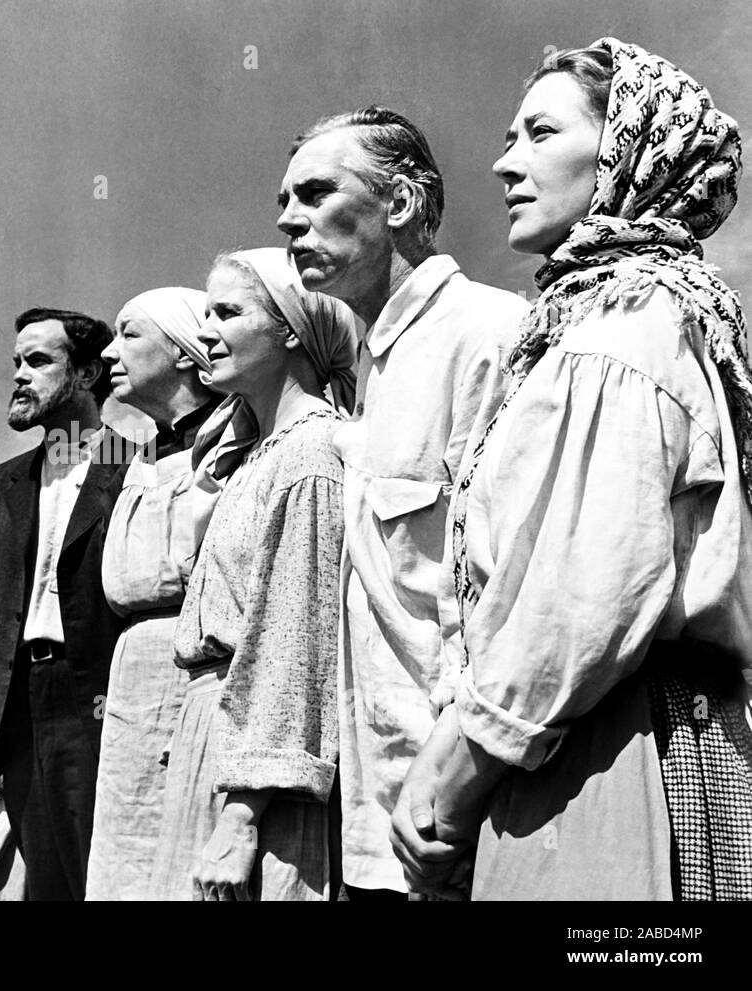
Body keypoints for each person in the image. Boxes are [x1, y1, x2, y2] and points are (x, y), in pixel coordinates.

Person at [392, 38, 752, 901]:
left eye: (540, 133)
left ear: (628, 152)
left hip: (613, 750)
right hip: (571, 740)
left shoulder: (628, 326)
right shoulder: (592, 323)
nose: (504, 162)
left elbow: (578, 595)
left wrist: (451, 771)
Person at [276, 106, 531, 899]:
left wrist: (457, 779)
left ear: (403, 203)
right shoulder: (372, 364)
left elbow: (511, 591)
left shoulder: (491, 333)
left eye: (316, 193)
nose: (290, 219)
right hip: (376, 811)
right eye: (286, 201)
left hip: (460, 812)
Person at [150, 248, 357, 901]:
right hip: (218, 738)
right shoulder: (255, 457)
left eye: (228, 312)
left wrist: (241, 818)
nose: (206, 330)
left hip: (265, 775)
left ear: (291, 330)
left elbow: (298, 650)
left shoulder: (312, 453)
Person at [0, 307, 137, 900]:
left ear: (85, 376)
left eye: (37, 361)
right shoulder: (4, 482)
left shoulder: (136, 465)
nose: (19, 376)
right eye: (16, 363)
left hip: (100, 705)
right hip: (21, 708)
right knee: (44, 883)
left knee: (103, 878)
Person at [85, 286, 221, 900]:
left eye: (130, 334)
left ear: (185, 349)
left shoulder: (231, 443)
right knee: (125, 850)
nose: (112, 352)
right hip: (133, 670)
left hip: (198, 667)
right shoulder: (136, 457)